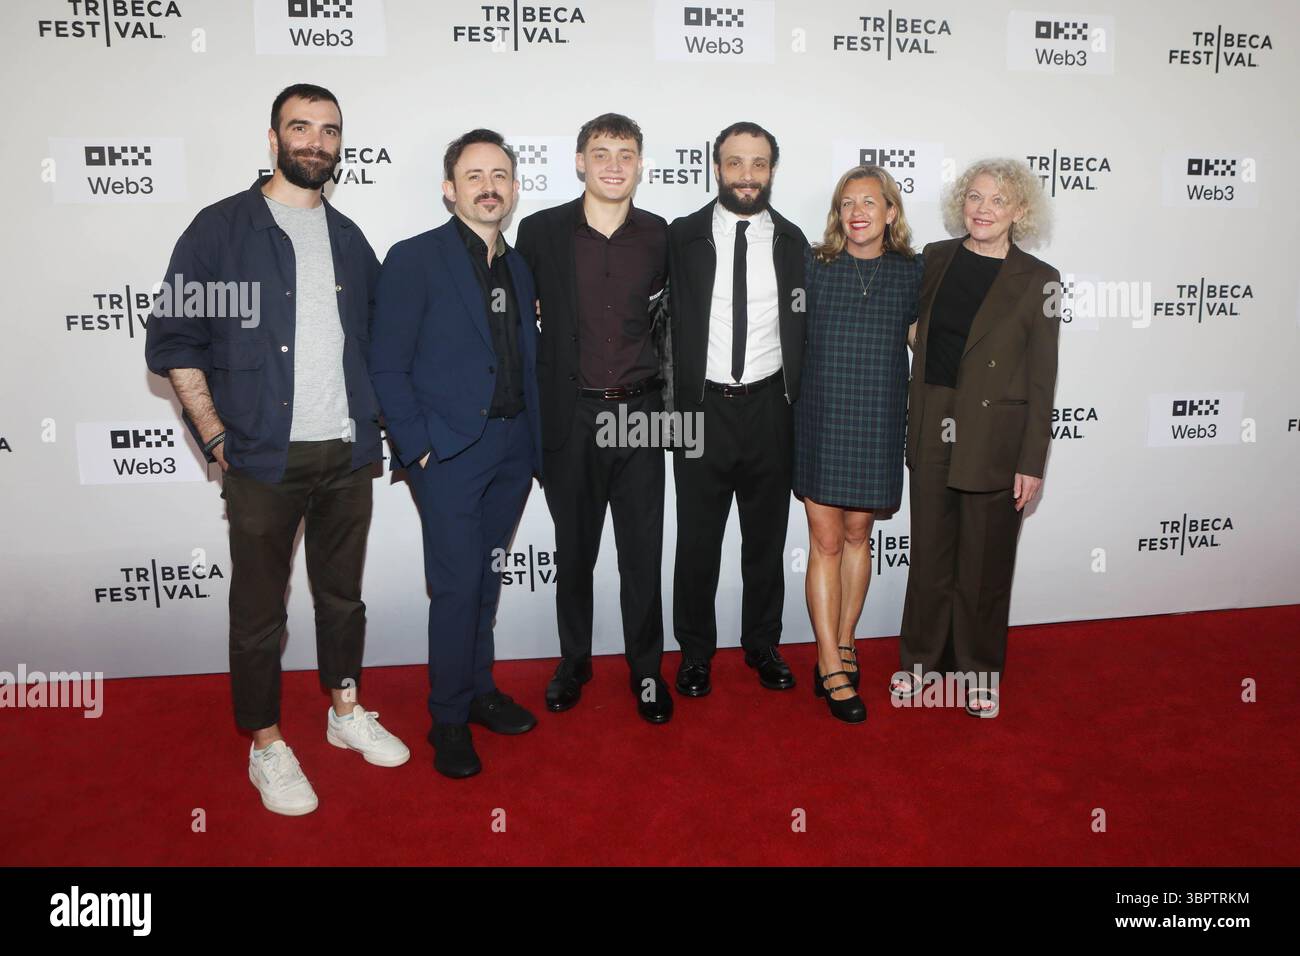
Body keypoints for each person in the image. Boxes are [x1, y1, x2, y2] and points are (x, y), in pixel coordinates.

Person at [144, 83, 410, 817]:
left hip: (348, 455)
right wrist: (215, 435)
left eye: (329, 131)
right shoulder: (220, 232)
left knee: (342, 599)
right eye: (301, 128)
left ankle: (343, 709)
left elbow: (383, 346)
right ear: (272, 138)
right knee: (261, 612)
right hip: (262, 459)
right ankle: (265, 743)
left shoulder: (352, 241)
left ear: (339, 146)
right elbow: (174, 339)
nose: (315, 142)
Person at [369, 129, 543, 778]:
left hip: (512, 449)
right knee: (455, 585)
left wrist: (533, 447)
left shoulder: (520, 266)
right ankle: (446, 717)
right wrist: (416, 450)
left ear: (515, 189)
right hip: (447, 453)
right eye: (474, 175)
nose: (488, 185)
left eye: (500, 174)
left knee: (487, 578)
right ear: (450, 190)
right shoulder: (414, 259)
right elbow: (385, 364)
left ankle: (478, 692)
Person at [514, 113, 674, 723]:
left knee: (642, 553)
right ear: (579, 161)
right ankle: (573, 662)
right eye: (601, 153)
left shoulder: (661, 235)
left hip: (642, 414)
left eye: (626, 154)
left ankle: (646, 671)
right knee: (573, 550)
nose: (613, 164)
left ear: (640, 164)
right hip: (571, 412)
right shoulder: (540, 231)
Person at [893, 158, 1060, 718]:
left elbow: (1043, 377)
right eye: (975, 197)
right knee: (930, 560)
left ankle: (980, 675)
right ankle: (920, 665)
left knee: (984, 568)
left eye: (997, 200)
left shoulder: (1039, 279)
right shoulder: (935, 260)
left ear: (1019, 210)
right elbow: (917, 329)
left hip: (995, 436)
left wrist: (1032, 460)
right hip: (935, 421)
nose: (983, 209)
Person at [666, 122, 808, 698]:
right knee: (696, 542)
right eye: (734, 163)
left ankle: (762, 644)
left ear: (772, 170)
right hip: (701, 410)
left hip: (771, 408)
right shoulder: (681, 237)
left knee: (766, 540)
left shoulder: (795, 243)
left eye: (758, 163)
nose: (746, 175)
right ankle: (695, 653)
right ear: (715, 168)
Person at [794, 165, 923, 723]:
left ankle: (846, 640)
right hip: (821, 418)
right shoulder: (814, 266)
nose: (858, 212)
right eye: (848, 203)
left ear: (890, 212)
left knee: (857, 534)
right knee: (823, 540)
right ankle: (828, 660)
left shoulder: (913, 273)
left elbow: (929, 338)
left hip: (876, 419)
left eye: (870, 202)